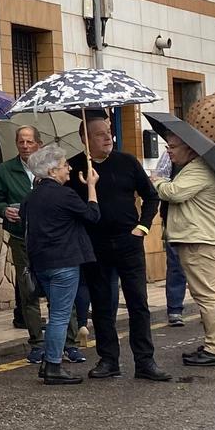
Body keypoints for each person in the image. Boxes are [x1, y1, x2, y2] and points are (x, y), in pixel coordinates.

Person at [69, 115, 171, 382]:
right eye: (100, 134)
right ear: (85, 140)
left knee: (138, 302)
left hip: (128, 241)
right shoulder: (75, 167)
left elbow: (151, 196)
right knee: (102, 304)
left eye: (109, 133)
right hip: (96, 244)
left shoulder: (126, 162)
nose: (108, 138)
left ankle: (145, 360)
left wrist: (143, 227)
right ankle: (108, 359)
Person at [19, 144, 101, 386]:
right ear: (53, 171)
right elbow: (92, 216)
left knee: (56, 312)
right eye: (65, 165)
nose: (69, 168)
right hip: (64, 262)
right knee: (60, 316)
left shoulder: (31, 196)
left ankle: (47, 362)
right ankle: (54, 364)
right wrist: (92, 188)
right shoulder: (64, 195)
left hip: (41, 263)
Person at [153, 134, 215, 367]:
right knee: (205, 294)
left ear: (190, 148)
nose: (169, 151)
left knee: (207, 295)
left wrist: (156, 180)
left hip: (201, 239)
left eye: (173, 146)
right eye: (168, 146)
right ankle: (213, 344)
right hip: (199, 237)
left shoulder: (199, 169)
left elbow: (174, 193)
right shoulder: (193, 167)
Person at [0, 126, 48, 362]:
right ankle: (37, 342)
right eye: (21, 142)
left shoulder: (49, 168)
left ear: (39, 144)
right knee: (28, 290)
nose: (25, 146)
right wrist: (5, 211)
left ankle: (69, 340)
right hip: (20, 236)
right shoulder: (6, 169)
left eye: (29, 142)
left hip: (49, 237)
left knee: (57, 290)